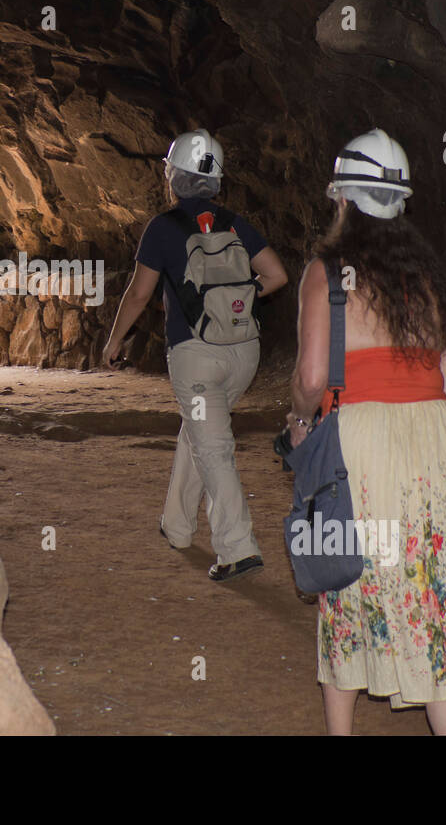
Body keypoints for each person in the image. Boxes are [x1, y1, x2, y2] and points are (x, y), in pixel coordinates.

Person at [287, 128, 446, 735]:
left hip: (364, 444)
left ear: (343, 200)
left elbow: (312, 379)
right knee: (438, 594)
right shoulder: (429, 278)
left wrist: (299, 413)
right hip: (437, 439)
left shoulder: (326, 272)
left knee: (346, 583)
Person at [104, 129, 289, 581]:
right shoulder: (234, 223)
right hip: (244, 354)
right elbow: (278, 276)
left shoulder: (163, 228)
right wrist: (238, 300)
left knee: (214, 447)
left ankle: (237, 548)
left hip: (196, 355)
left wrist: (113, 342)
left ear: (173, 177)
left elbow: (138, 295)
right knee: (200, 429)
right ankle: (178, 526)